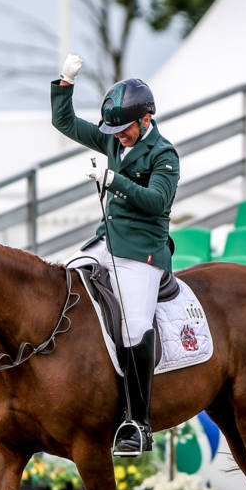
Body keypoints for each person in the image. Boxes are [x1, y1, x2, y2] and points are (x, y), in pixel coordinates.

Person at [51, 53, 180, 457]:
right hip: (106, 241)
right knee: (60, 285)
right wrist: (65, 83)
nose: (118, 136)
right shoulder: (112, 138)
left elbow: (157, 202)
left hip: (143, 250)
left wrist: (113, 179)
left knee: (134, 326)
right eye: (115, 131)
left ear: (146, 119)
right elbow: (65, 123)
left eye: (125, 130)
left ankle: (137, 424)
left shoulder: (164, 154)